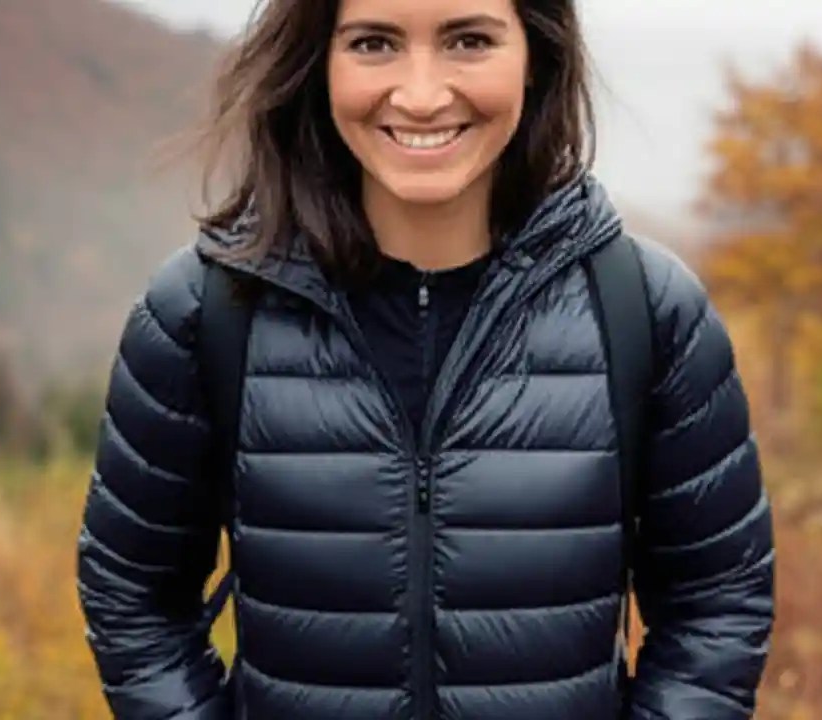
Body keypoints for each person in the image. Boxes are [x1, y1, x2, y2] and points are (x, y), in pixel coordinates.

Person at [76, 0, 775, 718]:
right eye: (373, 43)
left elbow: (717, 601)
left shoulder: (646, 312)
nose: (420, 93)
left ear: (537, 56)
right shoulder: (205, 312)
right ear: (319, 62)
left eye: (469, 40)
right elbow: (132, 591)